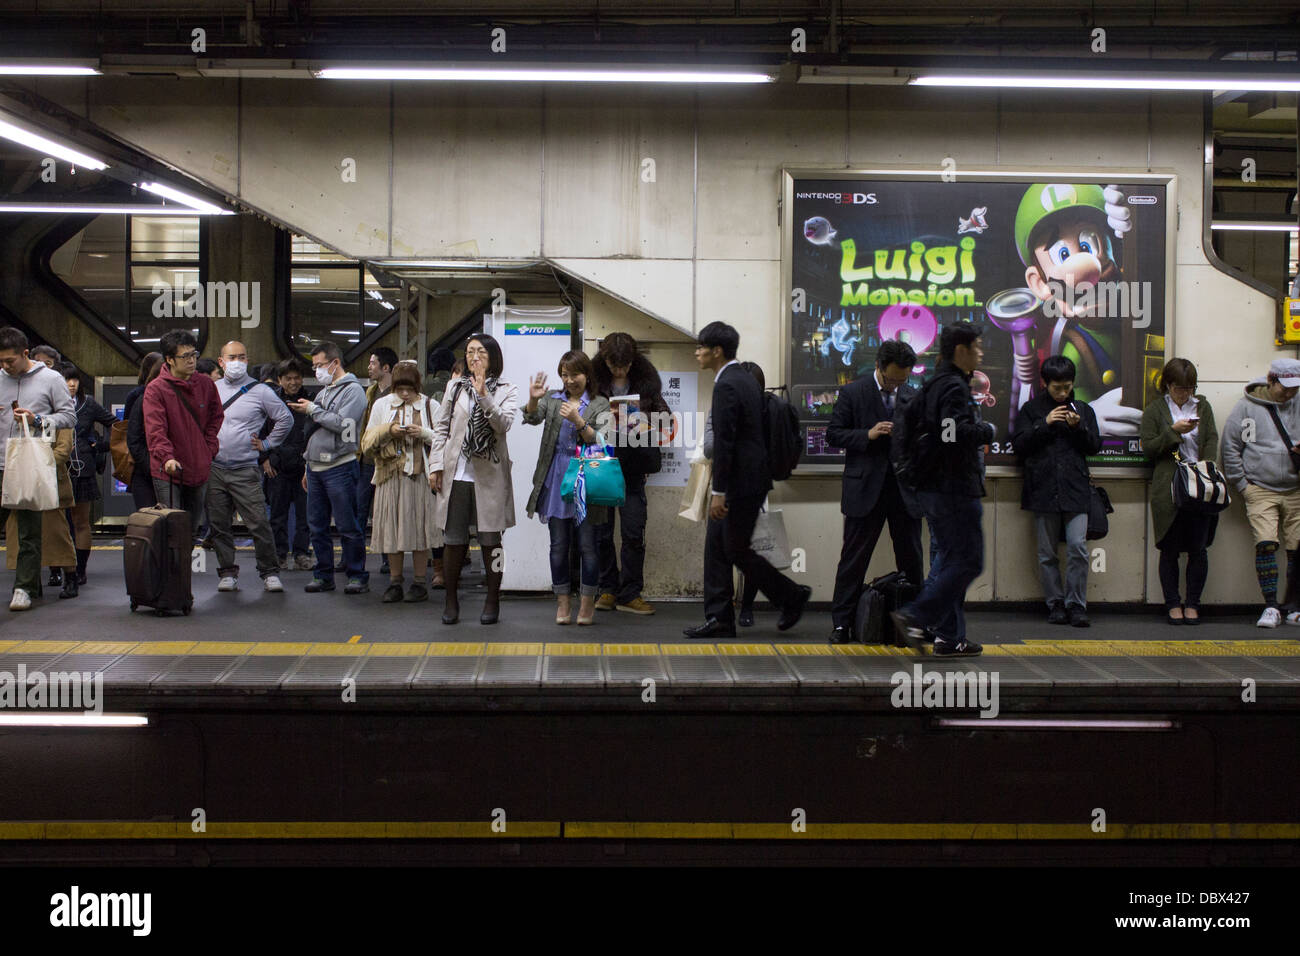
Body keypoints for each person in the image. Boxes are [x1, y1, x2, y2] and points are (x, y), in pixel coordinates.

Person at [683, 321, 810, 639]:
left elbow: (725, 443)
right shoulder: (744, 380)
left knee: (735, 549)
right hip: (750, 480)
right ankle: (720, 618)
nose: (697, 352)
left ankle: (791, 595)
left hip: (740, 483)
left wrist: (719, 492)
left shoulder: (727, 384)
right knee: (719, 547)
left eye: (701, 347)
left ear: (717, 351)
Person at [890, 323, 995, 657]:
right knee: (968, 561)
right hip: (953, 489)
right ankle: (916, 617)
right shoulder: (952, 388)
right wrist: (985, 430)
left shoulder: (934, 384)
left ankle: (946, 636)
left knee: (950, 559)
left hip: (935, 487)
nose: (980, 352)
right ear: (960, 351)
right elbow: (952, 434)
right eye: (977, 347)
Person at [825, 339, 924, 642]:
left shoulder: (912, 395)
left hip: (904, 491)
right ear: (879, 367)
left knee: (912, 559)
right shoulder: (853, 393)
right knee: (853, 559)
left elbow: (923, 438)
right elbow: (833, 434)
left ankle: (915, 623)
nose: (897, 384)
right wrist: (867, 435)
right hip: (864, 488)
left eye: (903, 379)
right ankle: (842, 623)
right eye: (893, 378)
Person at [430, 333, 518, 625]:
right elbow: (441, 429)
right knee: (453, 541)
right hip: (456, 474)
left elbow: (502, 425)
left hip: (490, 476)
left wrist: (484, 396)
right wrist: (435, 466)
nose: (474, 357)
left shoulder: (507, 389)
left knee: (492, 541)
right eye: (469, 352)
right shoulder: (455, 387)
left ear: (492, 357)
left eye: (480, 351)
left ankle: (493, 600)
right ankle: (451, 601)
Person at [1012, 354, 1103, 627]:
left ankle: (1077, 604)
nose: (1063, 393)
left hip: (1075, 488)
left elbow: (1094, 446)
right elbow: (1020, 445)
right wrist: (1046, 423)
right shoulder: (1031, 409)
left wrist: (1079, 428)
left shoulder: (1083, 409)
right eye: (1057, 388)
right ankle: (1055, 604)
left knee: (1078, 547)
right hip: (1042, 488)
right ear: (1045, 383)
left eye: (1067, 387)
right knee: (1046, 552)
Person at [524, 350, 611, 625]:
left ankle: (586, 604)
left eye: (575, 374)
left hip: (587, 478)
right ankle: (563, 602)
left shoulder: (599, 404)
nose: (570, 380)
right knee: (558, 545)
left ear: (587, 374)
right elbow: (532, 418)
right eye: (565, 374)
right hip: (556, 476)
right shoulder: (553, 400)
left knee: (588, 546)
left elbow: (602, 440)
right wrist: (533, 399)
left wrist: (578, 420)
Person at [591, 332, 669, 616]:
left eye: (624, 366)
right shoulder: (593, 382)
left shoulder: (646, 384)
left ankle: (630, 592)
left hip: (635, 467)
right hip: (602, 463)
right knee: (601, 534)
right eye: (614, 366)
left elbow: (665, 416)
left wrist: (646, 422)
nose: (620, 371)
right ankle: (607, 589)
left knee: (634, 532)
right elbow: (581, 416)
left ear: (633, 361)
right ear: (605, 361)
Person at [0, 327, 77, 611]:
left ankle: (24, 588)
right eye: (1, 362)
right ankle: (24, 585)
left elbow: (69, 418)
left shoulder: (51, 379)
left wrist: (37, 420)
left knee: (29, 531)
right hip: (1, 463)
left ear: (25, 353)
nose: (6, 367)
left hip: (30, 463)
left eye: (10, 361)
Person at [207, 341, 292, 594]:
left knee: (258, 523)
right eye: (231, 357)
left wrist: (266, 443)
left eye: (241, 357)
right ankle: (227, 572)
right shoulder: (211, 390)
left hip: (245, 468)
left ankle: (269, 572)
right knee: (219, 524)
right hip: (214, 468)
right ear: (221, 362)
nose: (236, 362)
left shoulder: (261, 391)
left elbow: (285, 418)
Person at [1222, 358, 1300, 627]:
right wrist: (1243, 486)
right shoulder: (1247, 408)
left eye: (1295, 389)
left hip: (1296, 488)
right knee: (1266, 544)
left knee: (1296, 549)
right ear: (1271, 380)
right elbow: (1230, 447)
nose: (1290, 393)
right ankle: (1270, 606)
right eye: (1285, 388)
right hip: (1260, 488)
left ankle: (1292, 606)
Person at [1141, 358, 1219, 625]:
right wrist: (1173, 432)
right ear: (1168, 385)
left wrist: (1205, 467)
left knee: (1198, 548)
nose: (1184, 394)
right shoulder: (1155, 410)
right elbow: (1149, 448)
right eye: (1179, 388)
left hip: (1200, 486)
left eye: (1189, 388)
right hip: (1169, 486)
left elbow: (1210, 439)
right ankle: (1173, 603)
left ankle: (1193, 603)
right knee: (1170, 548)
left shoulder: (1203, 407)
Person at [291, 341, 369, 594]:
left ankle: (357, 574)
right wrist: (306, 465)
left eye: (320, 365)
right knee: (317, 525)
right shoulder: (325, 391)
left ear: (335, 363)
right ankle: (323, 574)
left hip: (340, 466)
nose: (317, 371)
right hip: (315, 468)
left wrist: (313, 410)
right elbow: (312, 432)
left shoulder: (353, 391)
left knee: (347, 525)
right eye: (314, 366)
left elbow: (345, 424)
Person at [361, 360, 441, 603]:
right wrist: (389, 431)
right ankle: (395, 581)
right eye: (400, 389)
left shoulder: (430, 405)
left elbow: (445, 440)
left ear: (418, 386)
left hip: (420, 477)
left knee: (420, 531)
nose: (405, 394)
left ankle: (419, 582)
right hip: (389, 476)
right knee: (391, 531)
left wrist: (423, 433)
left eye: (410, 389)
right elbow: (366, 442)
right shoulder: (381, 405)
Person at [142, 330, 223, 536]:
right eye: (184, 356)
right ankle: (168, 568)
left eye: (193, 355)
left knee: (192, 529)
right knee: (172, 527)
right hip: (167, 471)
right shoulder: (156, 389)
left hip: (199, 466)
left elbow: (216, 416)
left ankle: (183, 568)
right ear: (169, 359)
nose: (191, 361)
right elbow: (155, 429)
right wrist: (166, 457)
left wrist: (209, 448)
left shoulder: (205, 384)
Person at [60, 364, 117, 592]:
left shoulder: (88, 404)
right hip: (56, 466)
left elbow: (115, 423)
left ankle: (79, 571)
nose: (72, 384)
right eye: (67, 380)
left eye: (75, 380)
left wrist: (101, 445)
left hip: (82, 467)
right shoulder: (52, 404)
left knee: (80, 521)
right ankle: (57, 569)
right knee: (58, 523)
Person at [264, 359, 313, 571]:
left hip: (304, 467)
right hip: (277, 467)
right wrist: (264, 459)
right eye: (288, 378)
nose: (293, 382)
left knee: (305, 515)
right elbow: (259, 430)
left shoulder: (311, 401)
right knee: (277, 515)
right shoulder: (269, 401)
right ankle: (279, 554)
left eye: (297, 378)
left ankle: (302, 554)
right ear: (279, 380)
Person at [359, 347, 397, 575]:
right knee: (359, 511)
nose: (369, 367)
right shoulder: (370, 392)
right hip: (365, 460)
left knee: (385, 513)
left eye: (373, 363)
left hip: (387, 461)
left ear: (386, 367)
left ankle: (387, 559)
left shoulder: (396, 393)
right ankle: (354, 558)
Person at [124, 351, 164, 510]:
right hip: (147, 463)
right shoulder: (141, 395)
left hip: (149, 462)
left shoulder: (137, 393)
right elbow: (130, 431)